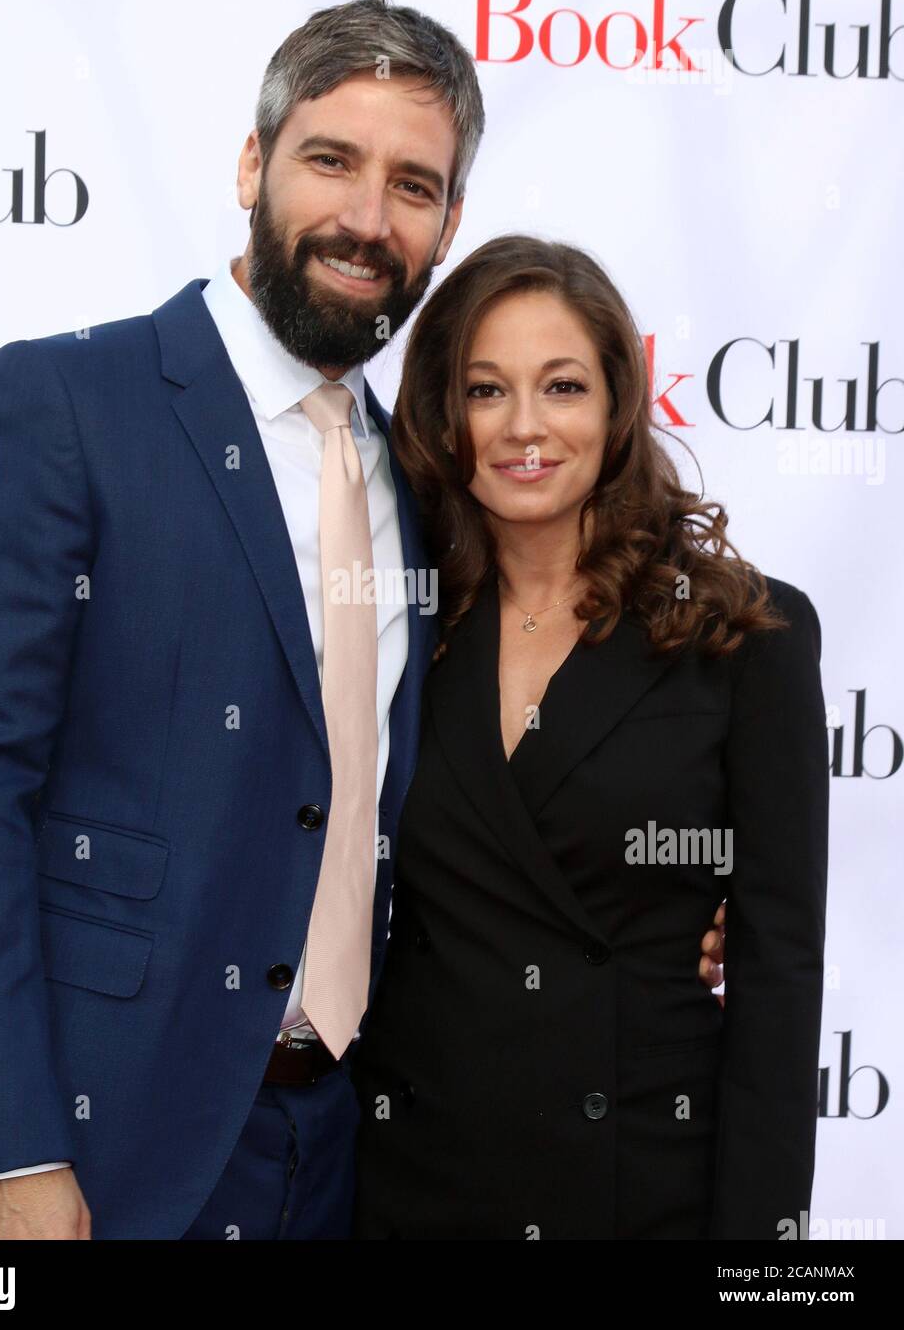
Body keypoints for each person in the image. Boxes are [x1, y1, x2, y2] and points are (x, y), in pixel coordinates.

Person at [0, 0, 724, 1241]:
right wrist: (4, 1145)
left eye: (413, 184)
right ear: (249, 164)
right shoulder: (65, 404)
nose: (364, 219)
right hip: (93, 1142)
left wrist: (681, 897)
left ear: (445, 224)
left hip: (344, 1154)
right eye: (330, 160)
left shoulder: (427, 483)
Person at [351, 235, 828, 1240]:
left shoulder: (739, 633)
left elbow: (777, 978)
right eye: (486, 390)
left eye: (560, 386)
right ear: (444, 412)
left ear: (616, 403)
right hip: (413, 1181)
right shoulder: (397, 617)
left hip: (641, 1187)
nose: (524, 427)